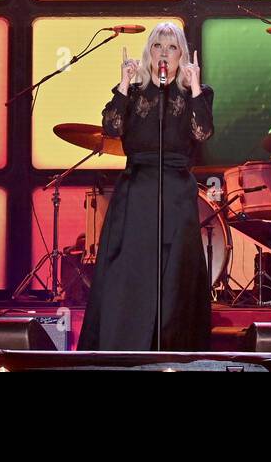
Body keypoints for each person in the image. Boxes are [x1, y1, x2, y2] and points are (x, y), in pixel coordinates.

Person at [78, 22, 214, 351]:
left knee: (175, 274)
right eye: (158, 46)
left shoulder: (198, 92)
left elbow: (203, 133)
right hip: (137, 188)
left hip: (177, 192)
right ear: (148, 52)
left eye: (171, 47)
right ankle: (124, 346)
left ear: (182, 54)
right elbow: (111, 127)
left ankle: (172, 348)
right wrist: (123, 84)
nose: (164, 54)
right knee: (130, 271)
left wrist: (194, 86)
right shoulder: (135, 91)